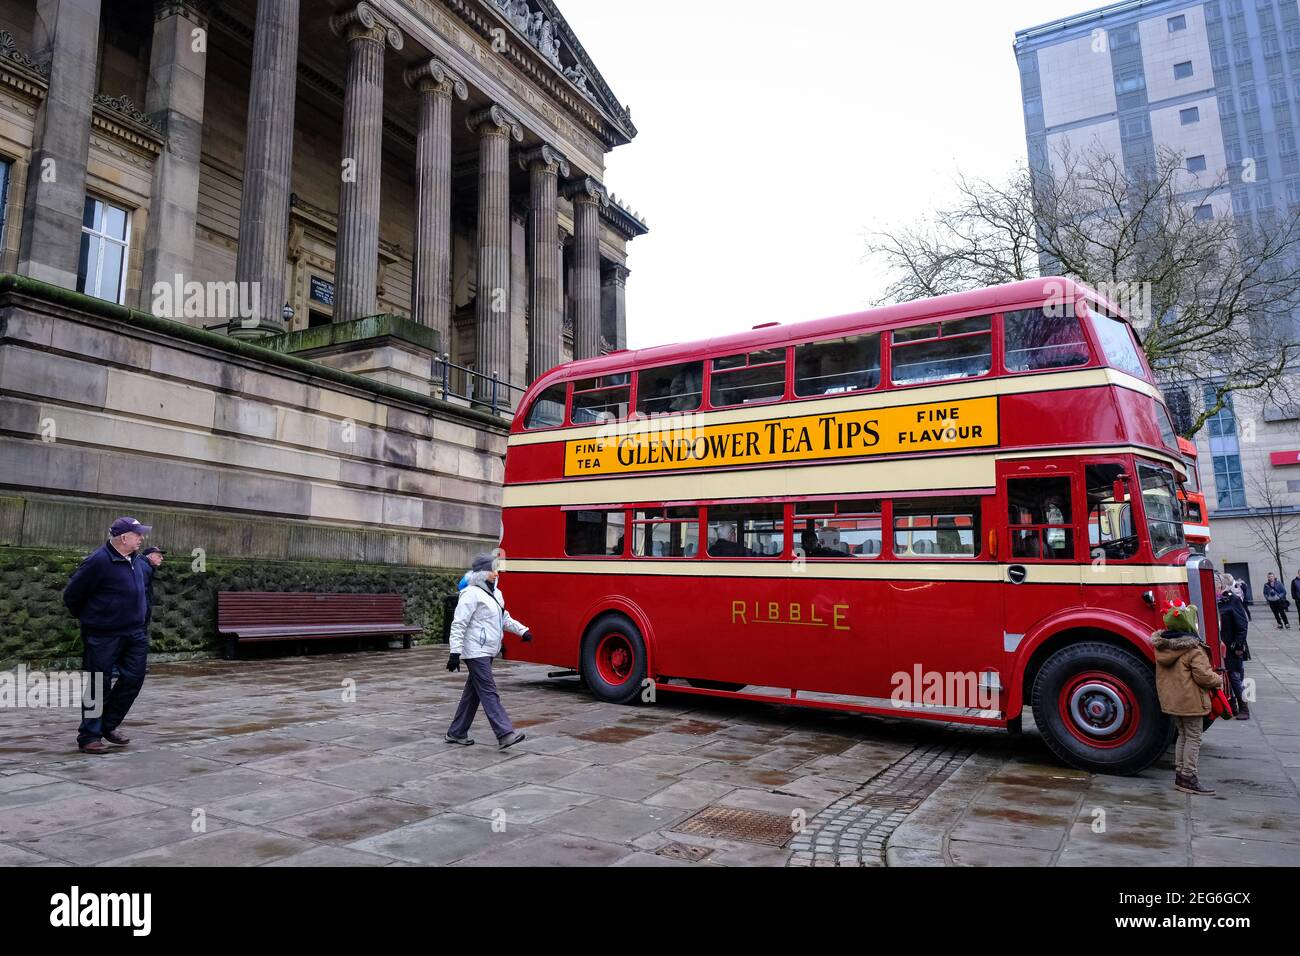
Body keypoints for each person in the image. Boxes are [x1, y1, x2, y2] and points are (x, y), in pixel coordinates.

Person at [62, 517, 153, 755]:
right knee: (97, 685)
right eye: (138, 534)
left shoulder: (138, 561)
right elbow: (73, 596)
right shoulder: (98, 561)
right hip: (103, 634)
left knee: (134, 678)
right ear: (124, 538)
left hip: (134, 632)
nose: (142, 538)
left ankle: (107, 724)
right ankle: (89, 735)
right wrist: (95, 619)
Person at [445, 553, 532, 750]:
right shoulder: (471, 593)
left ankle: (456, 732)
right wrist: (455, 653)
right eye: (492, 570)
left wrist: (522, 631)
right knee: (488, 691)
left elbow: (504, 618)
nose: (496, 573)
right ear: (482, 572)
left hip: (488, 650)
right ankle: (505, 734)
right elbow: (459, 624)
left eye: (496, 569)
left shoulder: (496, 593)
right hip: (475, 651)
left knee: (473, 693)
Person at [1152, 601, 1222, 795]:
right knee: (1194, 737)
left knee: (1183, 735)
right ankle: (1189, 776)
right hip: (1191, 701)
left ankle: (1181, 775)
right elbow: (1203, 676)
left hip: (1174, 701)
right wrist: (1218, 680)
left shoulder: (1163, 647)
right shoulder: (1193, 649)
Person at [1218, 573, 1252, 720]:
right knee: (1225, 676)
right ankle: (1232, 706)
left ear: (1222, 585)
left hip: (1232, 645)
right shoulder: (1217, 601)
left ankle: (1244, 707)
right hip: (1221, 644)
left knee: (1234, 677)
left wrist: (1239, 645)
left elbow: (1242, 624)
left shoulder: (1233, 600)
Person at [140, 547, 166, 629]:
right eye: (159, 556)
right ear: (151, 556)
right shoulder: (144, 568)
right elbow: (141, 592)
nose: (162, 558)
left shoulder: (145, 566)